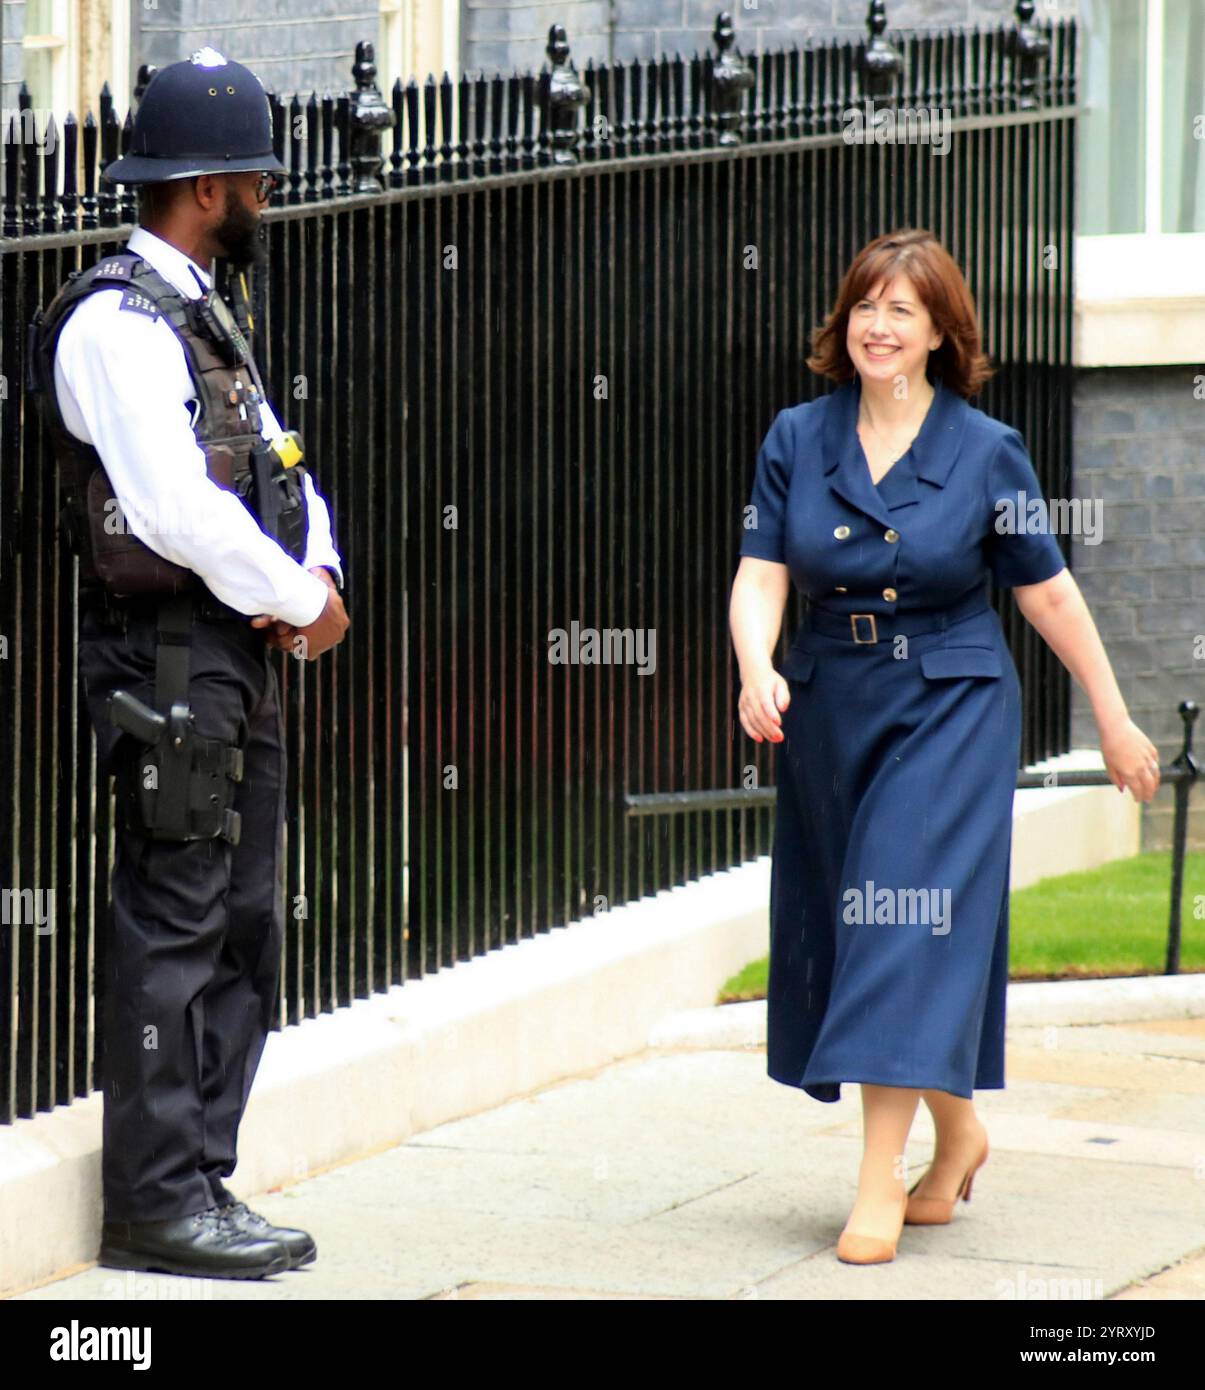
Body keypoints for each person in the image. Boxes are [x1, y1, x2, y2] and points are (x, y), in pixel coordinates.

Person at [728, 228, 1160, 1266]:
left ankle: (873, 1183)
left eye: (901, 311)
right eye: (865, 306)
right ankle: (956, 1129)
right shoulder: (795, 437)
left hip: (950, 705)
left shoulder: (986, 449)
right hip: (830, 704)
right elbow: (759, 575)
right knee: (852, 931)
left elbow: (1044, 592)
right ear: (845, 323)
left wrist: (1111, 714)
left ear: (937, 334)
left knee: (895, 924)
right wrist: (755, 666)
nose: (879, 326)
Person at [27, 48, 349, 1280]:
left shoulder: (201, 312)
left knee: (242, 922)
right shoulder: (117, 325)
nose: (267, 201)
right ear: (208, 187)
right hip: (169, 658)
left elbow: (279, 460)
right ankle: (156, 1200)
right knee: (174, 925)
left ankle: (201, 1178)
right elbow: (171, 511)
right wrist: (290, 597)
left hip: (229, 651)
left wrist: (318, 578)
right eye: (256, 183)